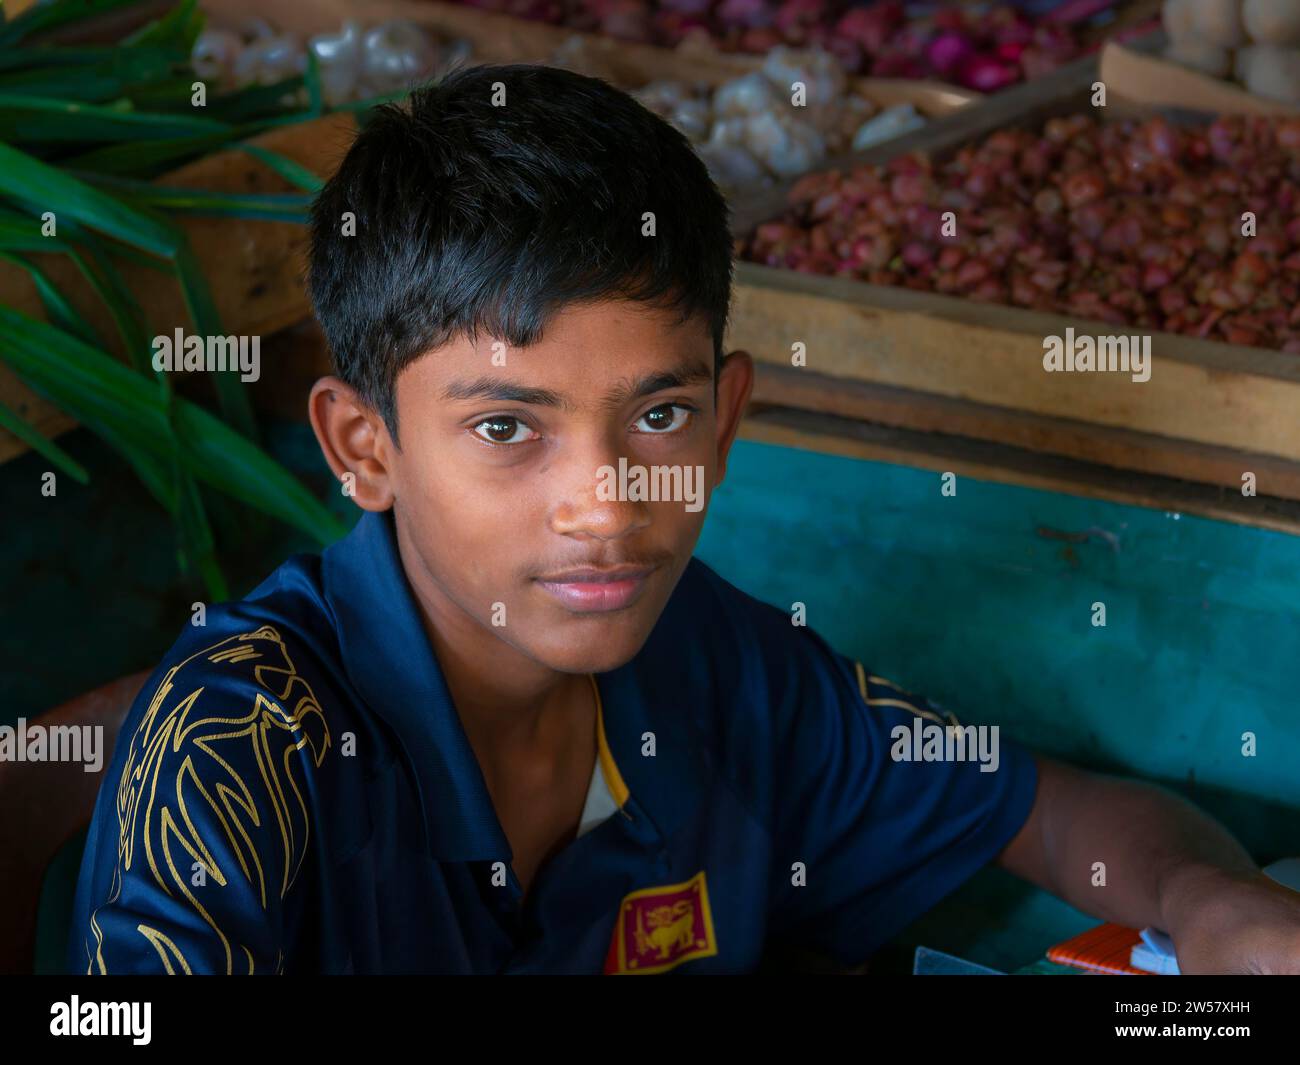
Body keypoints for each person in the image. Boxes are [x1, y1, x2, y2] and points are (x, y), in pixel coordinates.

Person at [68, 64, 1300, 975]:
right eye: (508, 429)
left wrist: (1206, 899)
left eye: (656, 416)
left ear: (726, 416)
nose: (606, 504)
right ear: (364, 447)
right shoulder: (235, 744)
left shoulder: (722, 674)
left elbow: (1052, 814)